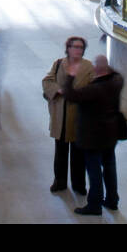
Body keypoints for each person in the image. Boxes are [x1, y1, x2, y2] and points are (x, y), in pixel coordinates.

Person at [63, 54, 124, 215]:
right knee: (110, 166)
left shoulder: (94, 89)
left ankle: (94, 204)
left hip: (93, 136)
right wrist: (103, 67)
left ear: (96, 69)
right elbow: (113, 72)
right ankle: (112, 200)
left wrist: (71, 75)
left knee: (94, 170)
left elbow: (71, 95)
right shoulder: (117, 80)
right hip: (111, 133)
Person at [43, 36, 94, 194]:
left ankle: (78, 184)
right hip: (61, 114)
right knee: (60, 150)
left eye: (80, 47)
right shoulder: (59, 63)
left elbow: (94, 89)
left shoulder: (88, 67)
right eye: (75, 47)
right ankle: (60, 181)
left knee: (78, 153)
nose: (78, 50)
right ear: (68, 48)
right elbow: (47, 80)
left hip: (78, 115)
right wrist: (58, 89)